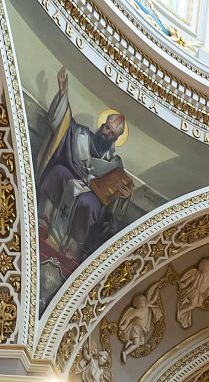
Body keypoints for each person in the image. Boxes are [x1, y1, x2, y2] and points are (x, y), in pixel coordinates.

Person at [37, 67, 130, 271]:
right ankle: (44, 218)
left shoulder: (115, 164)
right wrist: (63, 93)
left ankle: (72, 245)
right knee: (58, 173)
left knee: (90, 204)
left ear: (115, 139)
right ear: (102, 125)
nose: (107, 134)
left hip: (90, 195)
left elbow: (115, 195)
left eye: (112, 134)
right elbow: (62, 125)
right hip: (70, 178)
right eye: (107, 128)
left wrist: (123, 197)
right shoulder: (80, 135)